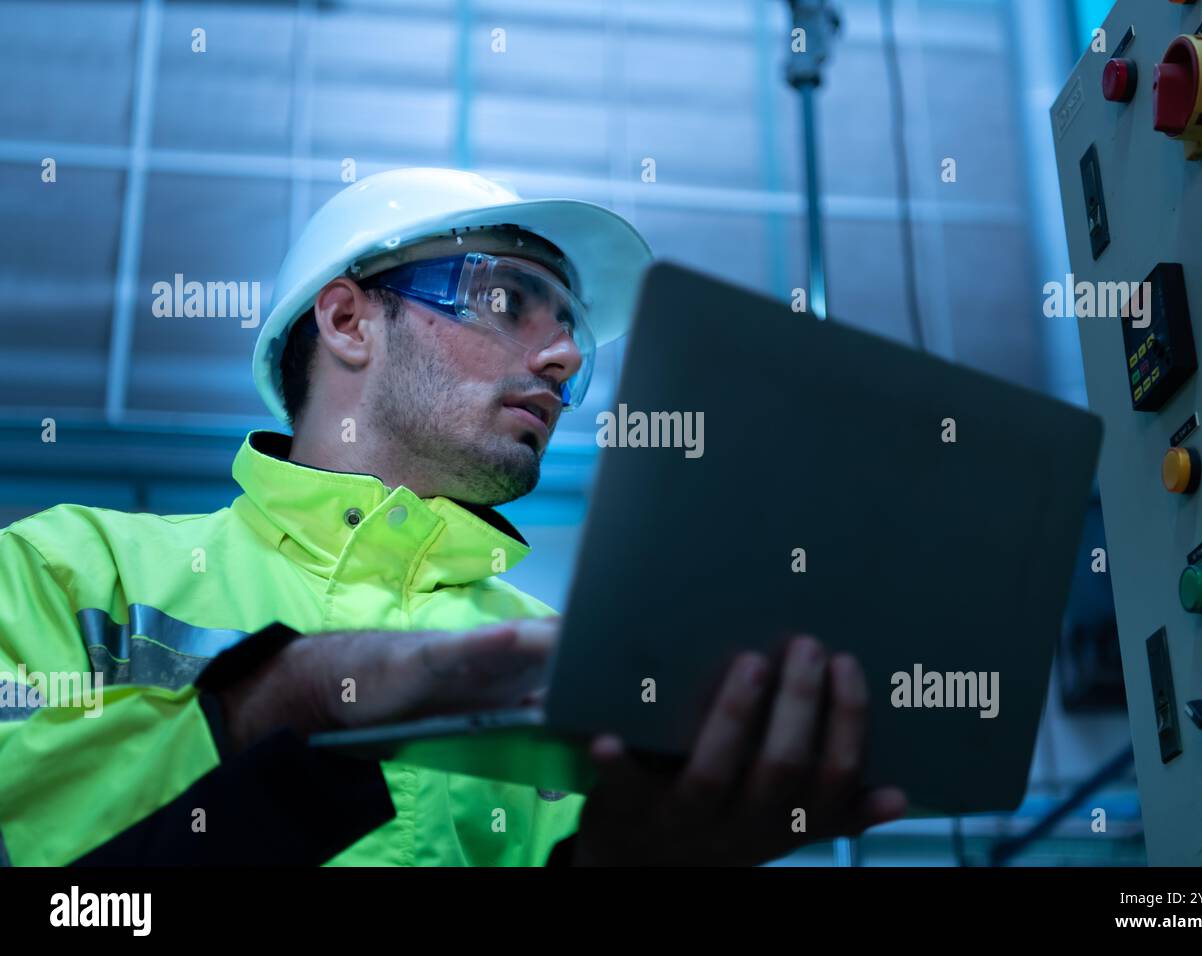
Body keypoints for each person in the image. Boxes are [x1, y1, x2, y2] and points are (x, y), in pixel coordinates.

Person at [0, 168, 906, 866]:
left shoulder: (569, 663)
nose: (558, 357)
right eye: (506, 300)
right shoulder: (73, 574)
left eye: (571, 336)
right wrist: (273, 705)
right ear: (350, 321)